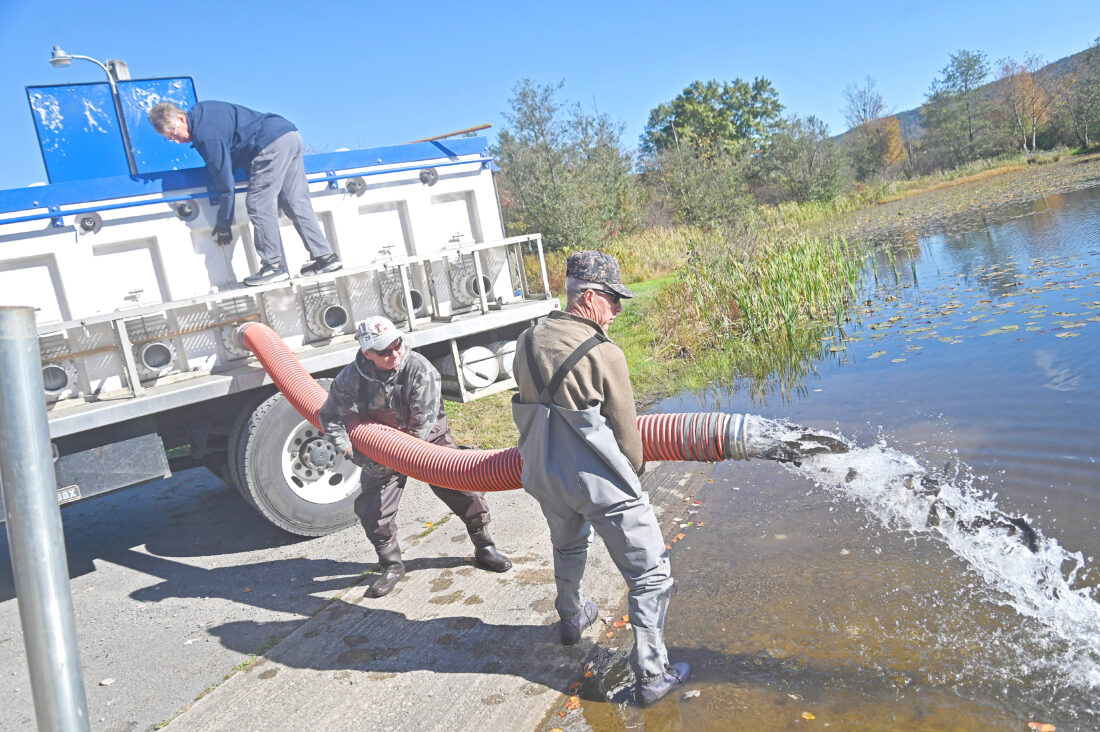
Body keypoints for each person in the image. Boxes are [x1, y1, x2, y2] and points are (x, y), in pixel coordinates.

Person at [511, 250, 691, 707]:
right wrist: (635, 481)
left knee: (568, 545)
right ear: (588, 298)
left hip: (542, 474)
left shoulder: (526, 340)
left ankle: (570, 619)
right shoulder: (604, 353)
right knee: (650, 574)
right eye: (613, 300)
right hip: (596, 482)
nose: (618, 310)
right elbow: (629, 436)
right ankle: (653, 674)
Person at [319, 316, 512, 597]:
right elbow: (330, 416)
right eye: (385, 350)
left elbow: (421, 427)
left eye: (397, 343)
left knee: (465, 490)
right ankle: (392, 566)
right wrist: (349, 450)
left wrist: (407, 453)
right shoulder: (351, 377)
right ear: (367, 353)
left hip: (427, 442)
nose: (395, 353)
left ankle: (484, 547)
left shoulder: (419, 368)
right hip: (381, 447)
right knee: (373, 511)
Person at [148, 101, 341, 286]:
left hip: (269, 144)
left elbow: (225, 180)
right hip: (289, 134)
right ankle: (325, 257)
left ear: (181, 119)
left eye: (173, 133)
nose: (175, 140)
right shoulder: (204, 111)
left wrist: (224, 220)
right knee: (295, 201)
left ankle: (272, 266)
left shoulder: (205, 135)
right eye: (169, 138)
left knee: (258, 203)